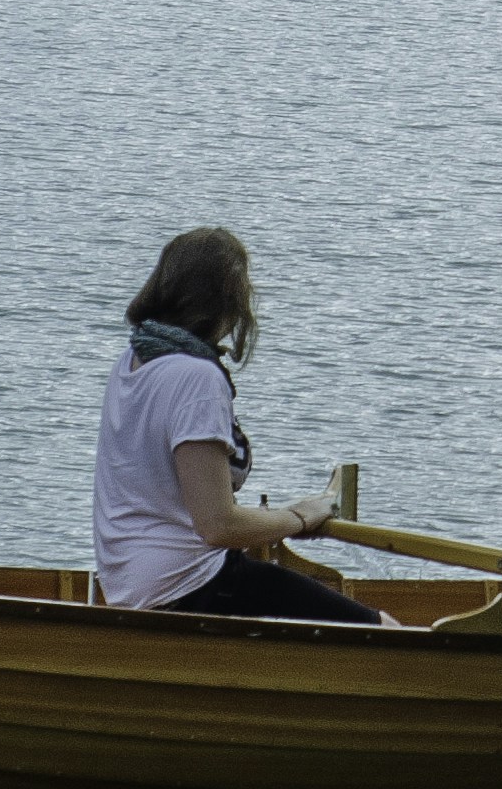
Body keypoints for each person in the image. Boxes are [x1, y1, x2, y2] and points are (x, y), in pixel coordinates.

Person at [94, 225, 382, 622]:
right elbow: (218, 526)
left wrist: (275, 520)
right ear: (227, 301)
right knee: (383, 628)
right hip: (188, 582)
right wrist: (299, 517)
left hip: (127, 581)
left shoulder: (132, 362)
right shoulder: (197, 379)